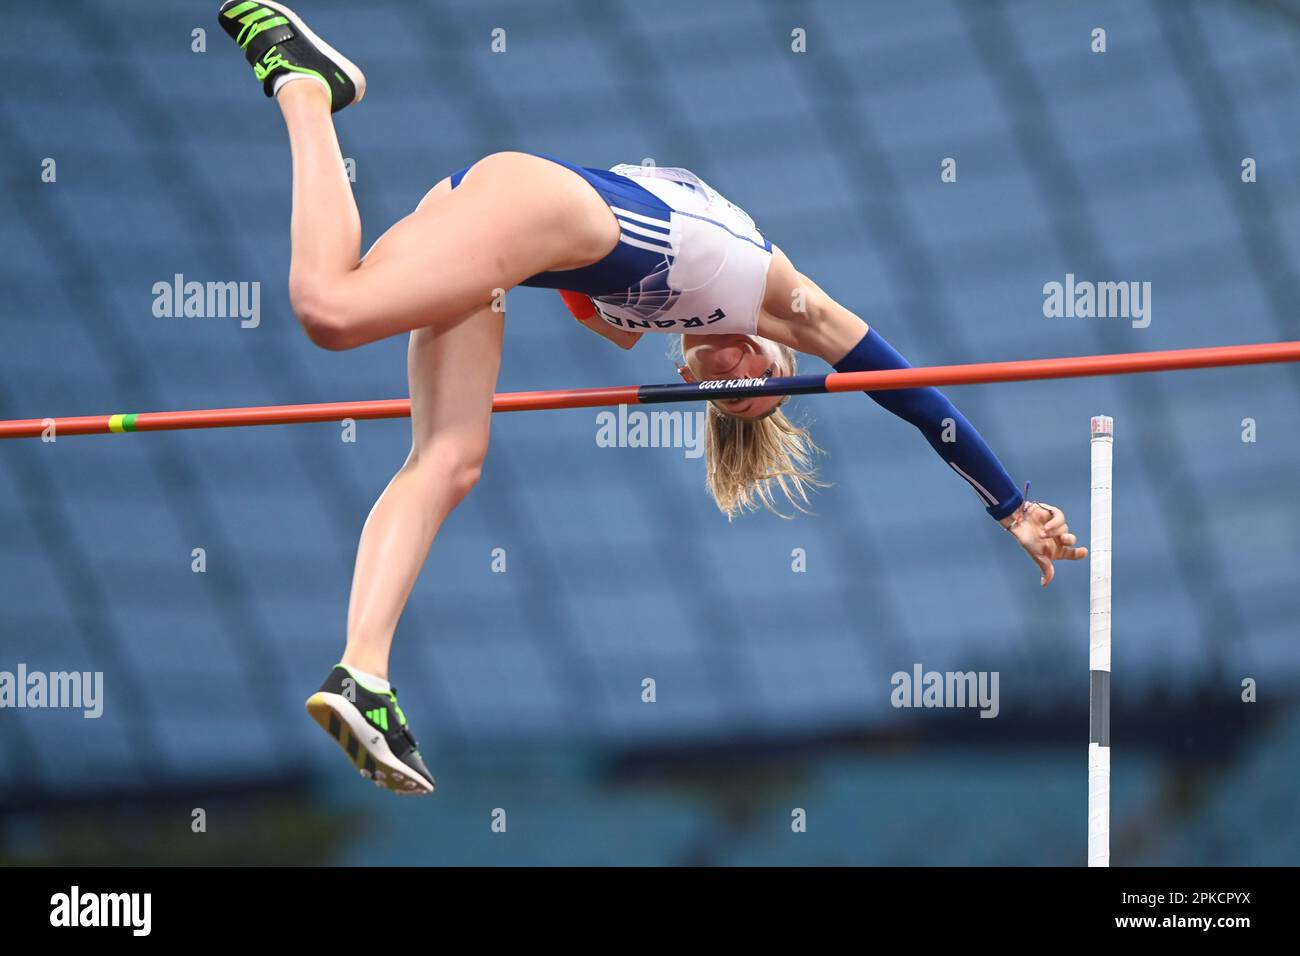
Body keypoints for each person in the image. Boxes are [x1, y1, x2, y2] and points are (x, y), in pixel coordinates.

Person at [218, 1, 1086, 795]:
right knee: (329, 313)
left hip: (500, 241)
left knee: (450, 457)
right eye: (765, 381)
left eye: (730, 396)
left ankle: (361, 673)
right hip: (530, 205)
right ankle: (305, 85)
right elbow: (905, 390)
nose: (744, 377)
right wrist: (1007, 503)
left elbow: (593, 278)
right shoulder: (784, 296)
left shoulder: (637, 322)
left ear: (695, 385)